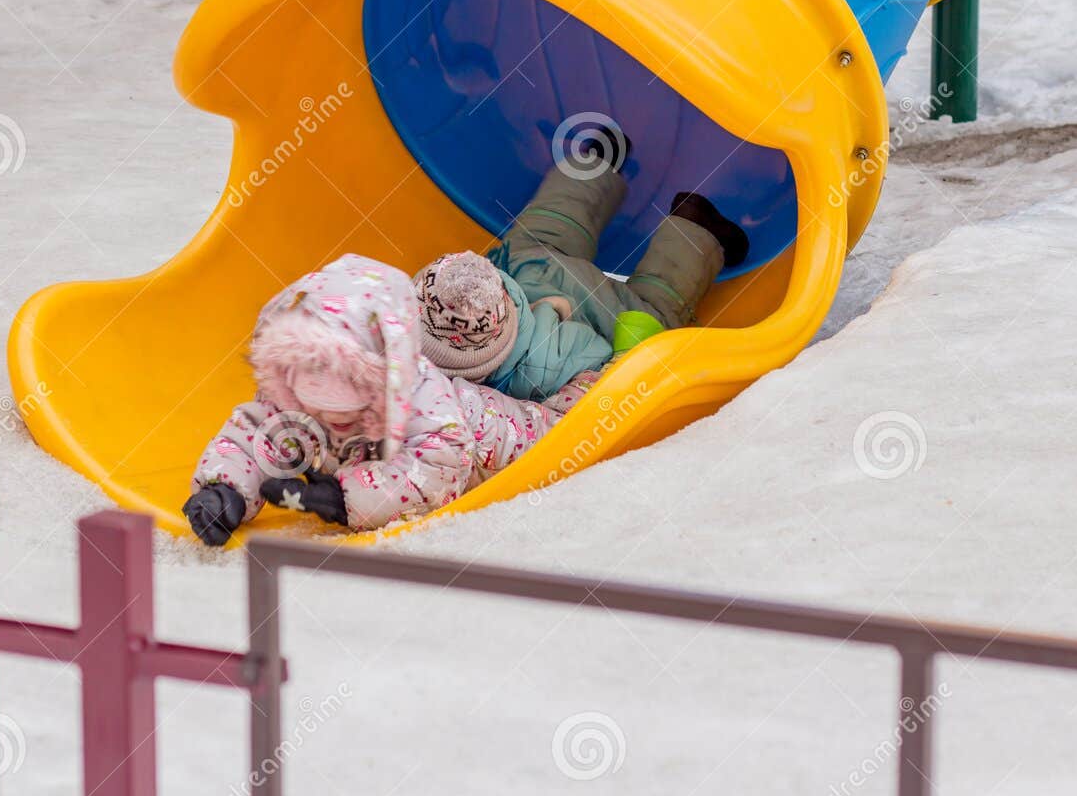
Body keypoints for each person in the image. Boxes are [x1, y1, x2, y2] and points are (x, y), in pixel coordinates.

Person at [182, 255, 599, 546]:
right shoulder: (297, 393)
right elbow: (255, 435)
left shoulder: (426, 399)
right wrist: (224, 492)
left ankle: (580, 354)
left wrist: (344, 499)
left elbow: (441, 468)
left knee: (569, 417)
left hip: (511, 433)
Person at [414, 127, 749, 401]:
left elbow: (601, 356)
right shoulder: (440, 309)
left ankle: (698, 227)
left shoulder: (538, 370)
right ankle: (597, 160)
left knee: (653, 312)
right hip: (526, 268)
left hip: (588, 306)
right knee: (552, 222)